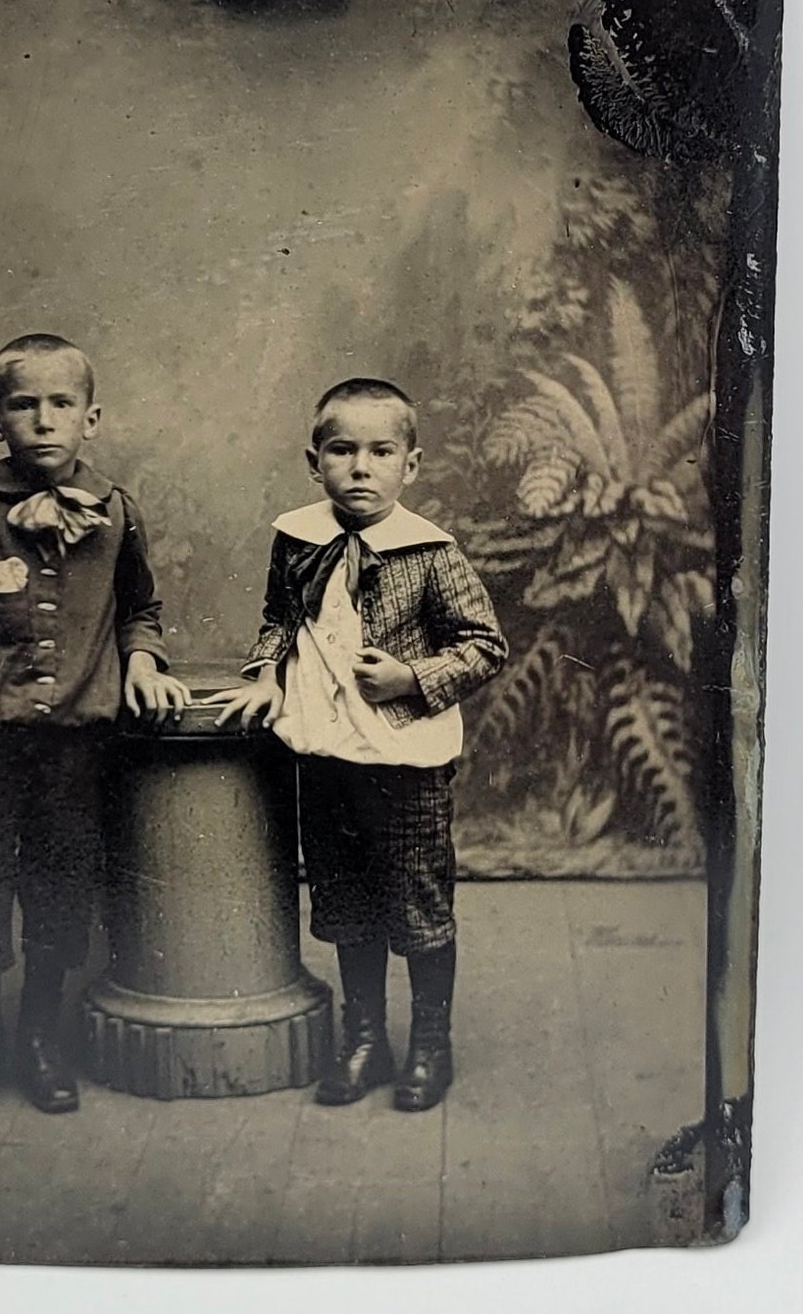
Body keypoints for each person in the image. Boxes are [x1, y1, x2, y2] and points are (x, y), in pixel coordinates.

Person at [0, 333, 190, 1117]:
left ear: (91, 419)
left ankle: (39, 1036)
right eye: (24, 405)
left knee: (61, 891)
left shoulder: (118, 509)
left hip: (76, 747)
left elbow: (141, 606)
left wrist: (143, 660)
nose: (44, 419)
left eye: (62, 404)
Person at [206, 378, 506, 1112]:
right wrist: (267, 674)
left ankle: (430, 1045)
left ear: (412, 463)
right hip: (324, 752)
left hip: (404, 760)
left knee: (417, 903)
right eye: (342, 451)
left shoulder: (430, 553)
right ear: (315, 462)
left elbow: (485, 646)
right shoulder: (298, 539)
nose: (360, 467)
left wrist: (411, 675)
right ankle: (363, 1037)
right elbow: (279, 618)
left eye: (381, 451)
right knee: (344, 900)